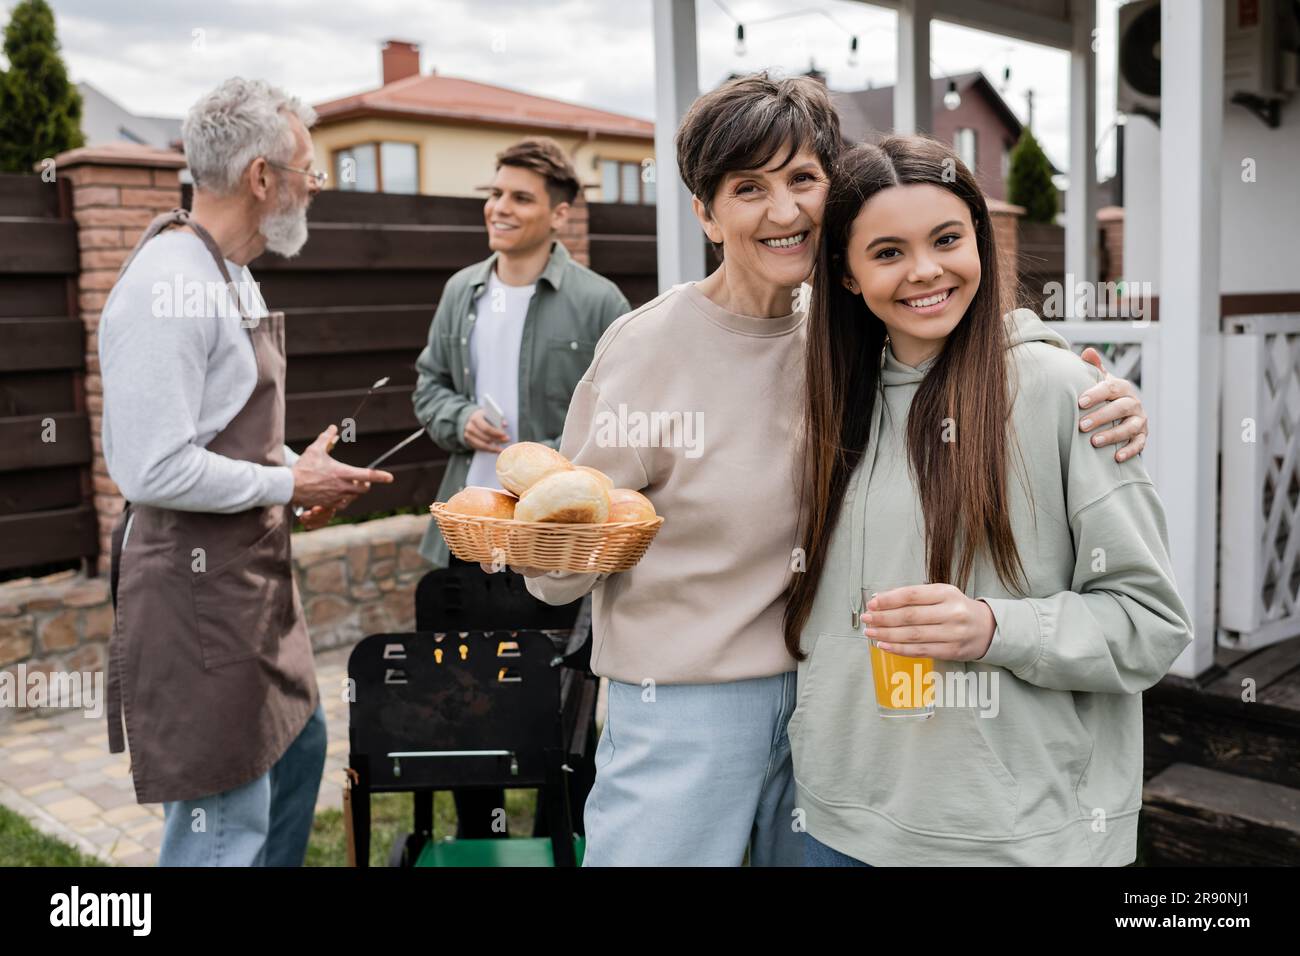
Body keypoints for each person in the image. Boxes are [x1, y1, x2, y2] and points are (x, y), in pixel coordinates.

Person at [513, 73, 1151, 866]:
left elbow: (961, 333)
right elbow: (561, 561)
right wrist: (543, 553)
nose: (784, 212)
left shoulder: (847, 333)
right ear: (706, 213)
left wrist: (1079, 378)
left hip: (837, 707)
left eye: (803, 180)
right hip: (688, 708)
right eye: (748, 188)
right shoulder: (647, 351)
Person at [784, 136, 1191, 866]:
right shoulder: (825, 400)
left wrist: (990, 628)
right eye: (886, 253)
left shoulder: (1063, 392)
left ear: (981, 239)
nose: (926, 271)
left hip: (1014, 840)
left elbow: (1150, 623)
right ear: (843, 276)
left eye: (947, 238)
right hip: (836, 827)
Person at [100, 77, 393, 866]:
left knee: (298, 756)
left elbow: (224, 433)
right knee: (223, 831)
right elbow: (153, 466)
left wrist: (303, 469)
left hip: (254, 592)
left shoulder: (233, 274)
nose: (315, 187)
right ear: (264, 178)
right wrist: (289, 484)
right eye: (309, 169)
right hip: (199, 608)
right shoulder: (168, 286)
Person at [412, 136, 629, 837]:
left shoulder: (599, 303)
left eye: (519, 198)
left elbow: (624, 420)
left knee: (559, 728)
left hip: (555, 556)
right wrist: (457, 416)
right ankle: (483, 844)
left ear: (560, 215)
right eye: (495, 192)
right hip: (469, 544)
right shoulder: (461, 291)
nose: (498, 208)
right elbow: (428, 385)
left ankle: (556, 844)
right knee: (464, 714)